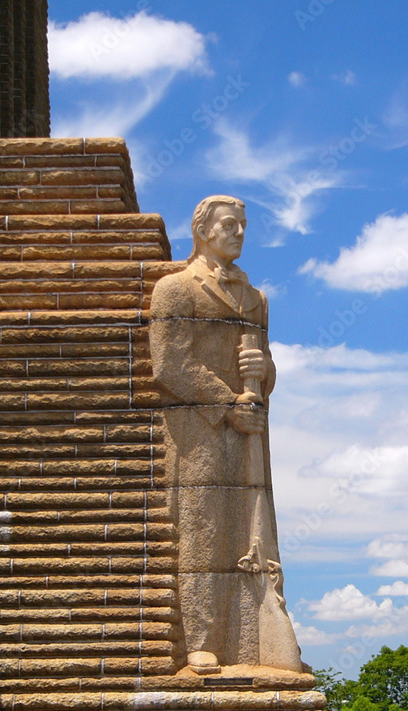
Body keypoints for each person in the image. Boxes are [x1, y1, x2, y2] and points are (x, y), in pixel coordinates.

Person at [149, 195, 302, 675]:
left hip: (249, 432)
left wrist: (266, 371)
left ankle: (256, 638)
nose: (238, 232)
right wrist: (226, 402)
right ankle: (200, 640)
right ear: (203, 230)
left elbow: (265, 366)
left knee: (252, 531)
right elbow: (170, 364)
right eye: (229, 224)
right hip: (199, 432)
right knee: (203, 533)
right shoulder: (175, 290)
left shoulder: (256, 299)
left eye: (243, 225)